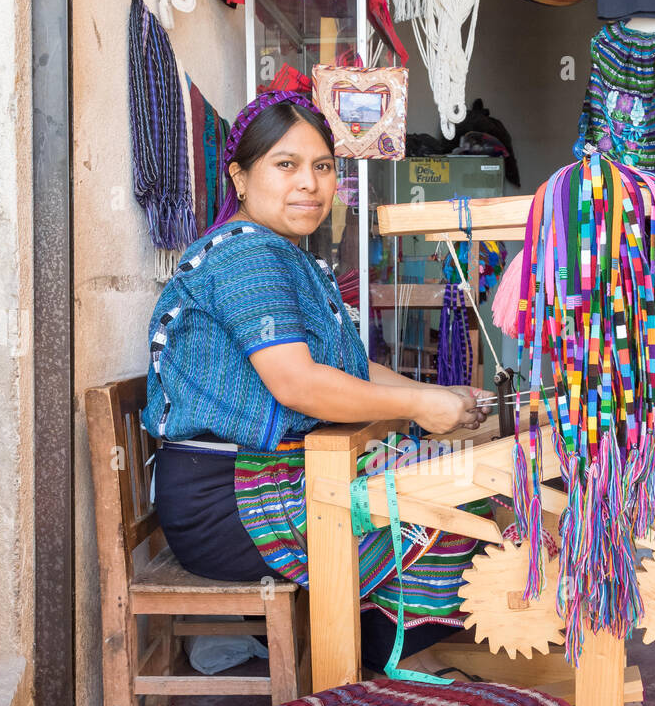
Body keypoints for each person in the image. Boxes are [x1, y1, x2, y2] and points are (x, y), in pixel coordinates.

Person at [142, 89, 490, 670]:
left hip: (268, 477)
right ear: (241, 177)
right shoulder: (244, 257)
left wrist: (432, 397)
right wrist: (419, 406)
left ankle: (360, 649)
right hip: (228, 499)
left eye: (323, 167)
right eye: (287, 165)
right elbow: (299, 385)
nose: (310, 183)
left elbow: (346, 370)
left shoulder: (289, 257)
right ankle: (357, 656)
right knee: (446, 506)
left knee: (450, 485)